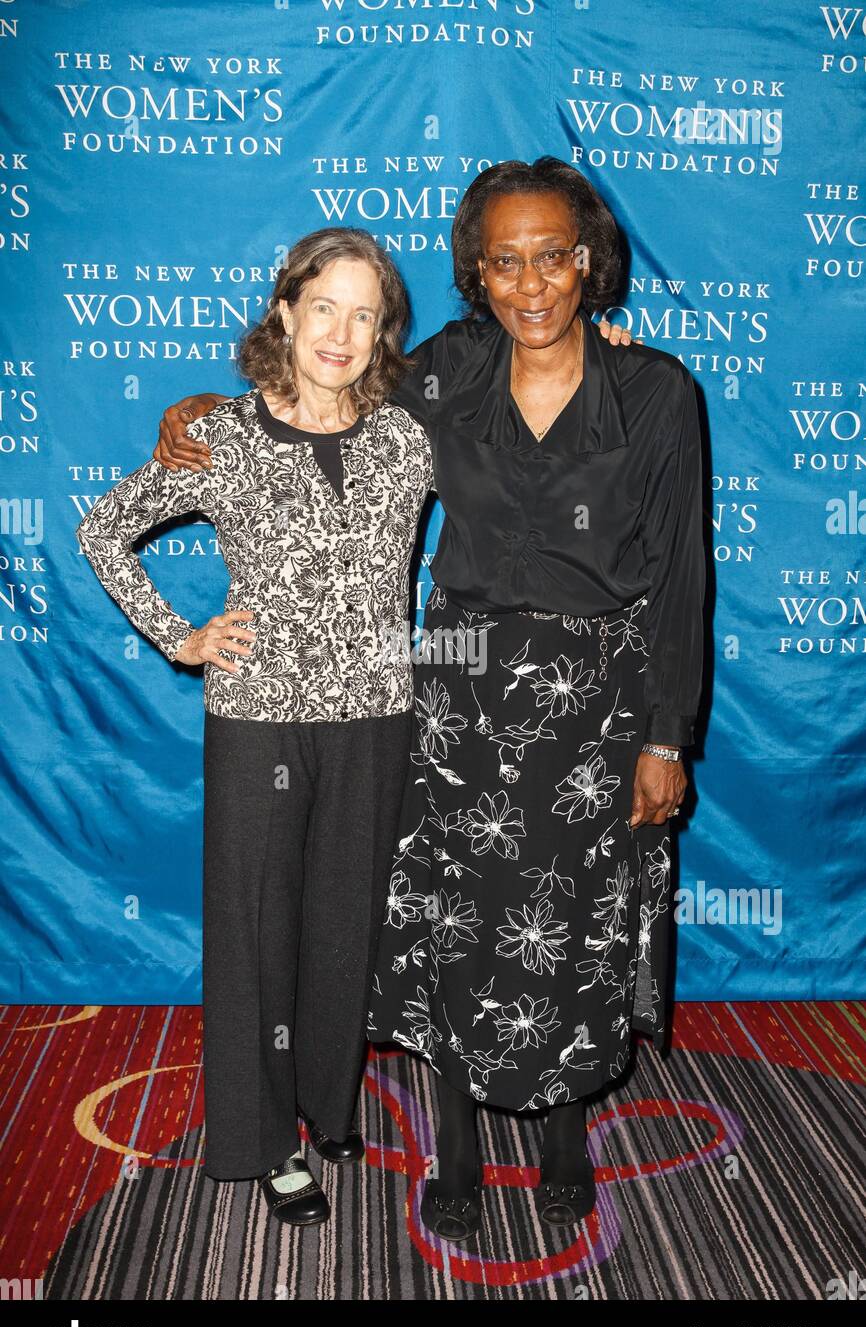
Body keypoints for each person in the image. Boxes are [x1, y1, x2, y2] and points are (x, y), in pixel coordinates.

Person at [153, 163, 668, 1245]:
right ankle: (460, 1141)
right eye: (502, 259)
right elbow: (327, 391)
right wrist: (204, 409)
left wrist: (665, 732)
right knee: (449, 918)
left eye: (551, 255)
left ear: (587, 262)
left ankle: (565, 1128)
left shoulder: (651, 389)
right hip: (458, 684)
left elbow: (681, 575)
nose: (529, 281)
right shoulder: (442, 373)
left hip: (590, 703)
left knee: (572, 918)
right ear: (475, 275)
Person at [76, 227, 437, 1228]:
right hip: (258, 720)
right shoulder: (222, 435)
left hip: (373, 716)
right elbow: (104, 528)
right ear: (285, 312)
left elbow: (520, 443)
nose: (341, 331)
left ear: (383, 333)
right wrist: (178, 637)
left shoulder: (408, 437)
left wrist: (606, 358)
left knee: (341, 930)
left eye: (365, 314)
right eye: (324, 306)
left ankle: (324, 1107)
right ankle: (259, 1137)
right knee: (255, 935)